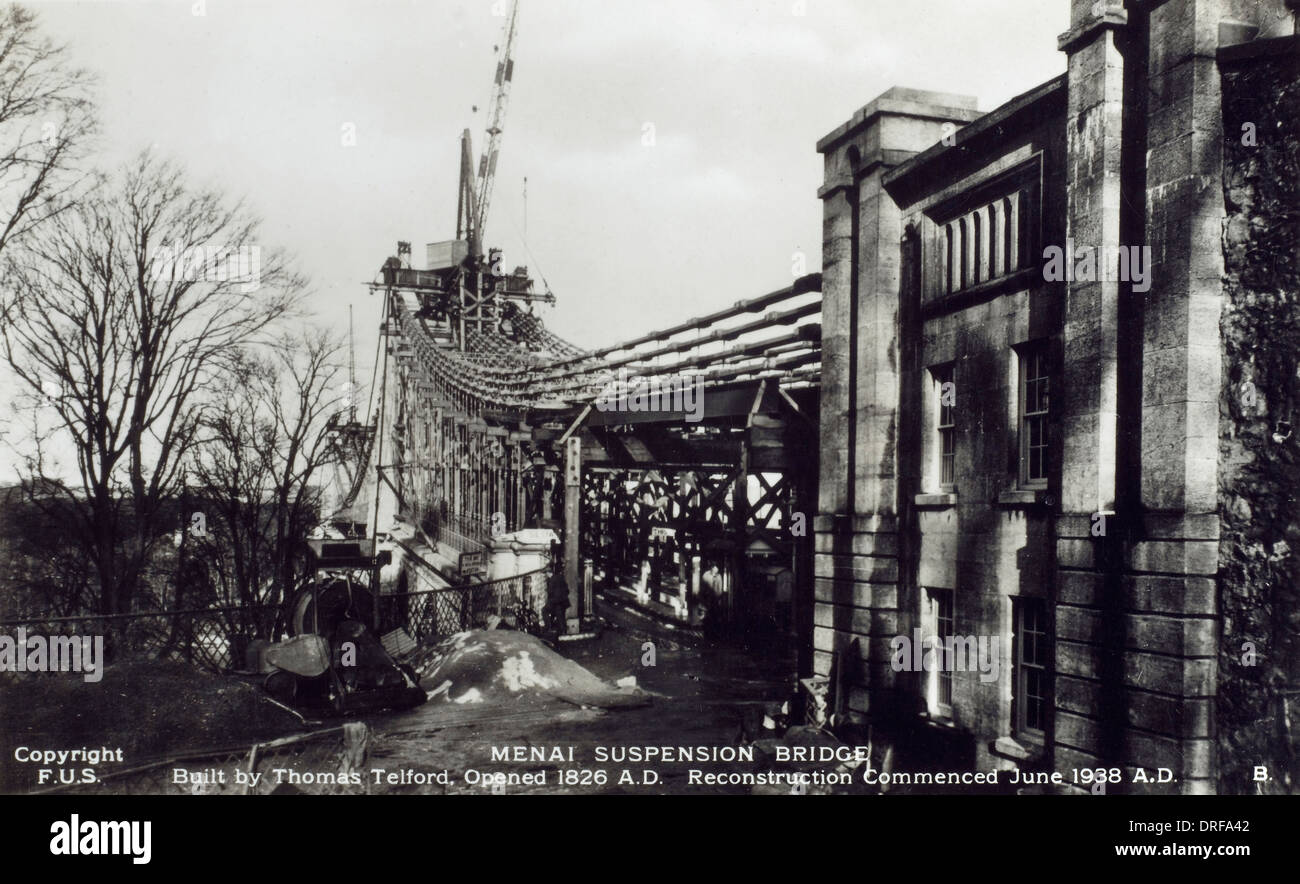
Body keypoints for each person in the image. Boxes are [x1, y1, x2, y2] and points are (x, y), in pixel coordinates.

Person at [546, 559, 570, 635]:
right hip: (564, 601)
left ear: (549, 573)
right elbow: (567, 589)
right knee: (561, 616)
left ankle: (549, 628)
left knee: (545, 611)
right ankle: (562, 630)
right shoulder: (560, 577)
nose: (546, 575)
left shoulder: (552, 580)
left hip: (556, 602)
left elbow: (550, 592)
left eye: (546, 573)